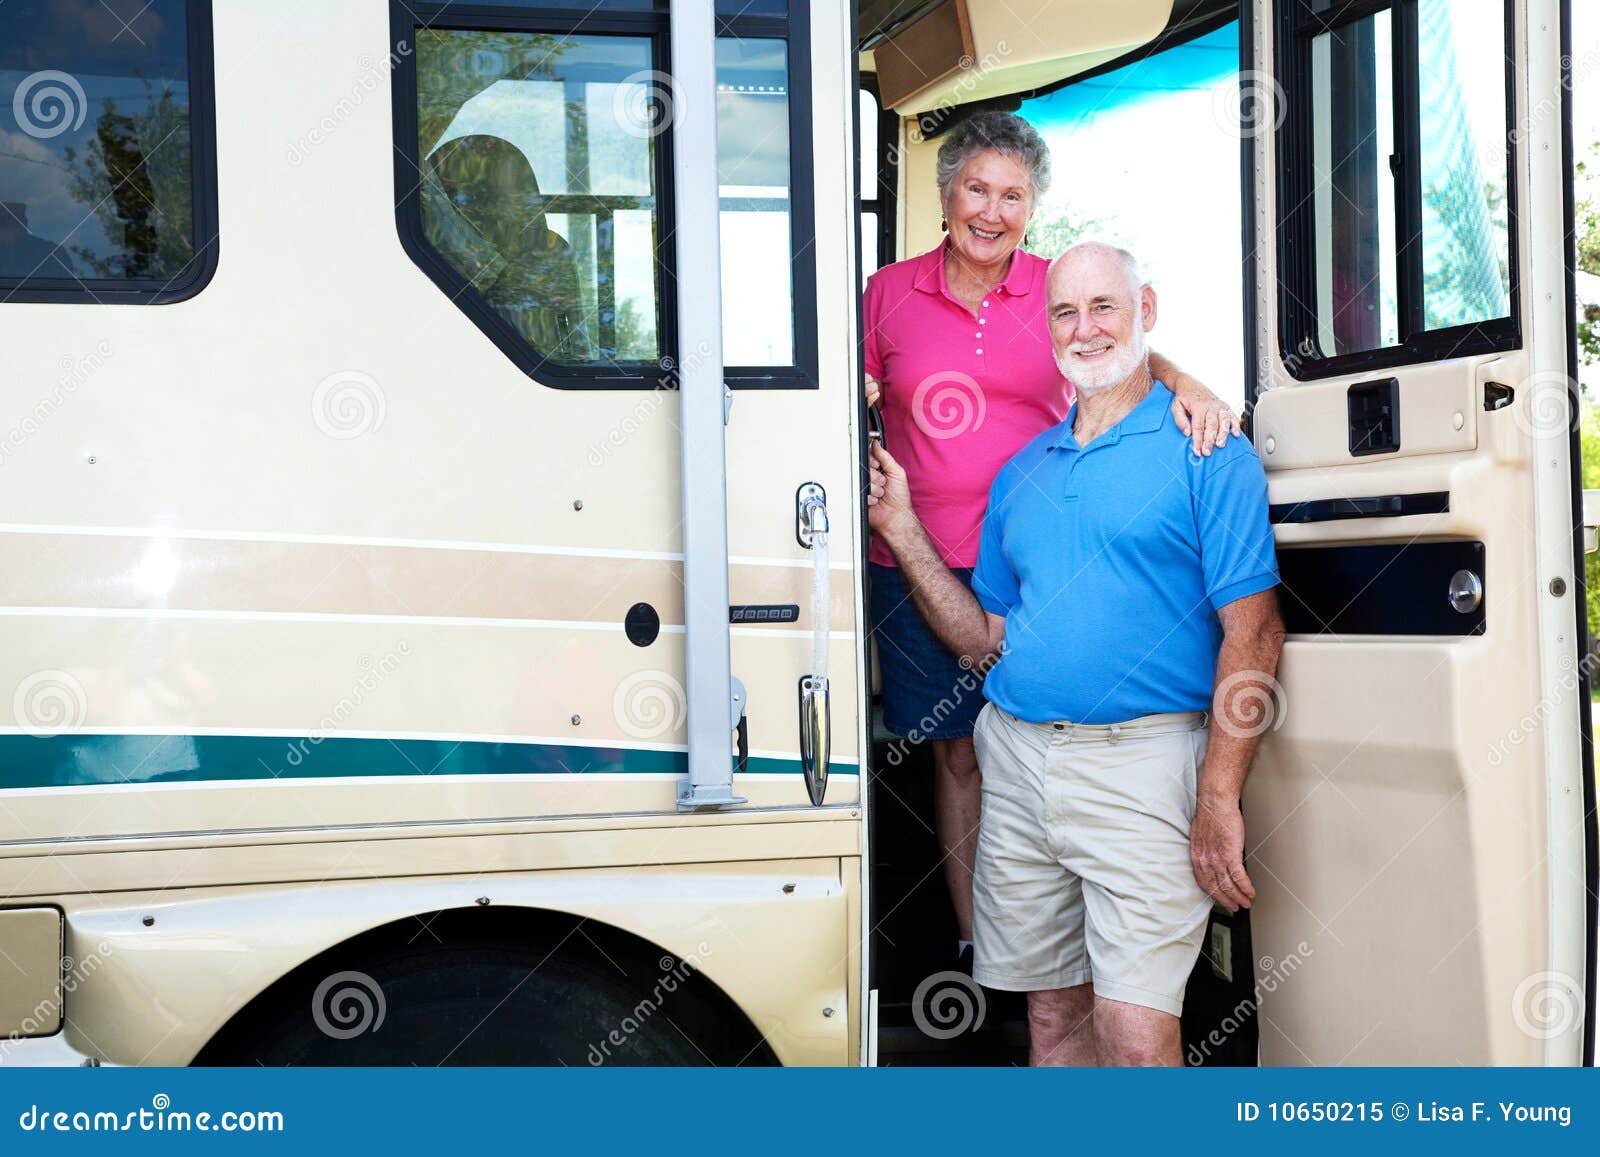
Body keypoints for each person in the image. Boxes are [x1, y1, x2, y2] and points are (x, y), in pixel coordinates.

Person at [866, 242, 1285, 1066]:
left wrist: (1219, 794)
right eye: (1065, 312)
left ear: (1146, 312)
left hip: (1145, 766)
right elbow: (984, 638)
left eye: (1104, 308)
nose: (1084, 329)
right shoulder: (1022, 474)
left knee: (1135, 1035)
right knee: (1053, 1021)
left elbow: (1256, 631)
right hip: (1019, 764)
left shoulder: (1206, 448)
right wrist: (903, 529)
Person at [862, 111, 1240, 976]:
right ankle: (981, 944)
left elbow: (1130, 350)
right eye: (976, 189)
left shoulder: (1053, 286)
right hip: (916, 554)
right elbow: (844, 392)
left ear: (1033, 207)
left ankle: (1059, 948)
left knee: (1032, 738)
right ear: (945, 194)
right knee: (960, 753)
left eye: (1014, 196)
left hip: (1044, 556)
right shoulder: (887, 293)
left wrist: (1197, 391)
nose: (992, 212)